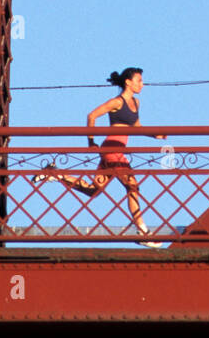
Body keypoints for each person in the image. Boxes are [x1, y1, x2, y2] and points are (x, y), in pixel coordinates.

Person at [33, 67, 166, 247]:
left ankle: (56, 174)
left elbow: (136, 126)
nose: (142, 84)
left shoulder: (136, 103)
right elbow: (92, 115)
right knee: (132, 186)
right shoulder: (116, 102)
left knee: (93, 191)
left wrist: (155, 135)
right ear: (128, 82)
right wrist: (90, 141)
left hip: (117, 152)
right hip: (112, 151)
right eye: (139, 80)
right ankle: (143, 232)